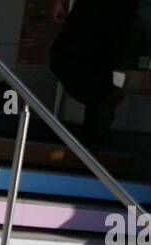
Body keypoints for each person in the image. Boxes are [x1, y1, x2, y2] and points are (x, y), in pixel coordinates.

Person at [49, 0, 142, 143]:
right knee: (99, 68)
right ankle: (91, 137)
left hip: (100, 8)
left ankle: (105, 94)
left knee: (62, 57)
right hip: (122, 10)